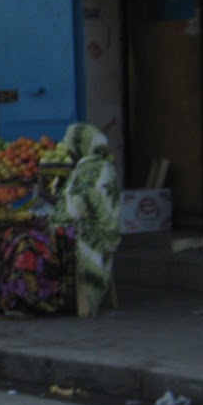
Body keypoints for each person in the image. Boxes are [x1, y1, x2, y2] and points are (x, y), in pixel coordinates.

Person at [49, 122, 121, 318]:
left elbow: (72, 210)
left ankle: (41, 298)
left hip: (91, 235)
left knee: (28, 242)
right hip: (106, 232)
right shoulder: (104, 165)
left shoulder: (89, 171)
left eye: (72, 146)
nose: (70, 152)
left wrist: (53, 197)